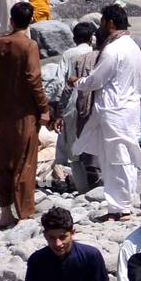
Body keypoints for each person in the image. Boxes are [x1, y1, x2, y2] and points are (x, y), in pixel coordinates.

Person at [71, 3, 141, 221]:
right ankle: (122, 205)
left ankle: (120, 208)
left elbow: (96, 80)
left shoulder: (113, 50)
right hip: (128, 110)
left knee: (115, 160)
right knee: (124, 158)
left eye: (101, 22)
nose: (99, 27)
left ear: (109, 23)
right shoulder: (132, 46)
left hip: (114, 111)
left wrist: (77, 82)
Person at [0, 1, 51, 229]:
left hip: (1, 114)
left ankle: (5, 212)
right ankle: (24, 213)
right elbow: (33, 79)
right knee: (25, 162)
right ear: (31, 20)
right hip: (24, 114)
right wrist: (43, 108)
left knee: (3, 161)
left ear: (11, 20)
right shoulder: (29, 46)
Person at [52, 21, 101, 193]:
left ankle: (82, 190)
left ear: (74, 38)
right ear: (91, 38)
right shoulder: (97, 54)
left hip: (73, 104)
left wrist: (57, 111)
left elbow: (60, 83)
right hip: (94, 103)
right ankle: (101, 184)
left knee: (75, 153)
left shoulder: (69, 54)